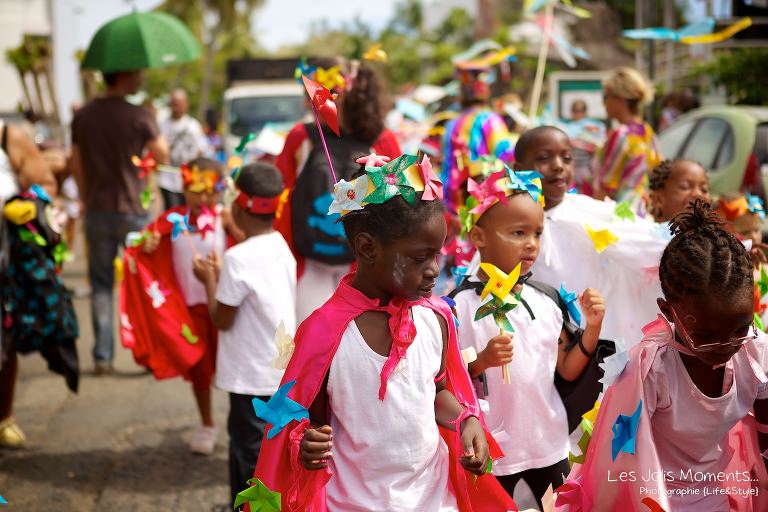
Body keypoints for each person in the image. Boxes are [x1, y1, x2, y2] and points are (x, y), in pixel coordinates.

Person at [253, 154, 515, 511]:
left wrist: (466, 419)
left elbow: (436, 389)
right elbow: (303, 418)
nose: (434, 270)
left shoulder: (435, 319)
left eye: (437, 255)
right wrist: (306, 443)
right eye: (419, 257)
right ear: (367, 248)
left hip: (434, 498)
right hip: (353, 502)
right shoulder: (324, 332)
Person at [556, 200, 768, 511]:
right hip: (652, 500)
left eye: (741, 328)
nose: (725, 346)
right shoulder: (651, 369)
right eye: (706, 336)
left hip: (717, 497)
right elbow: (619, 463)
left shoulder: (755, 353)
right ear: (668, 311)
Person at [450, 171, 606, 507]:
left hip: (548, 444)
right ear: (479, 236)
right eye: (518, 233)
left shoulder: (546, 299)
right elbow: (449, 378)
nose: (531, 243)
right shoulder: (458, 306)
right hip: (488, 447)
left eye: (537, 232)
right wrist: (484, 361)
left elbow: (566, 369)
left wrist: (592, 328)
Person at [120, 157, 241, 455]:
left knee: (235, 366)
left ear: (220, 189)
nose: (203, 197)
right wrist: (147, 245)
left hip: (226, 306)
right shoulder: (172, 219)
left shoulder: (222, 217)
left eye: (209, 190)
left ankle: (243, 422)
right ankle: (208, 422)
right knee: (200, 369)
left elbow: (247, 243)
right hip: (189, 308)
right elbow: (143, 243)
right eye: (195, 190)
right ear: (184, 188)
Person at [192, 162, 295, 506]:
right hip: (280, 373)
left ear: (237, 206)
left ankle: (249, 507)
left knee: (247, 454)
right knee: (272, 454)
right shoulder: (281, 246)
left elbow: (221, 318)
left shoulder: (236, 259)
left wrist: (209, 281)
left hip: (248, 377)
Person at [275, 58, 401, 322]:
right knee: (311, 338)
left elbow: (399, 198)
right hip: (309, 262)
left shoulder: (382, 139)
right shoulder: (301, 137)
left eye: (330, 94)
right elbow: (281, 199)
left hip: (366, 265)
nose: (318, 102)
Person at [515, 126, 668, 344]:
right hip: (538, 340)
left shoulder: (591, 212)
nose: (558, 166)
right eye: (544, 158)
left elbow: (649, 243)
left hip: (596, 338)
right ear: (518, 168)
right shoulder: (509, 219)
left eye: (566, 158)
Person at [71, 69, 170, 375]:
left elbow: (75, 162)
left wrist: (86, 198)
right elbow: (162, 153)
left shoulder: (84, 115)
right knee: (141, 284)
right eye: (137, 73)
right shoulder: (139, 114)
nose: (141, 77)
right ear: (125, 75)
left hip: (98, 209)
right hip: (133, 210)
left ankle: (103, 356)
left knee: (101, 285)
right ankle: (147, 355)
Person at [0, 120, 58, 448]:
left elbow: (47, 183)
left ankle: (3, 417)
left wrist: (27, 201)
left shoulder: (10, 138)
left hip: (6, 266)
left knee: (3, 343)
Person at [593, 67, 661, 212]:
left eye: (605, 97)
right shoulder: (648, 133)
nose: (603, 103)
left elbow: (607, 186)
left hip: (620, 213)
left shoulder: (621, 134)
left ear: (620, 98)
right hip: (642, 211)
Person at [158, 89, 210, 209]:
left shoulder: (193, 126)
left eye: (179, 104)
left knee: (188, 212)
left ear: (186, 104)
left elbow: (202, 149)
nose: (176, 108)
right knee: (172, 211)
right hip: (167, 179)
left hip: (188, 179)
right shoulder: (162, 125)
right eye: (174, 104)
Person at [648, 159, 711, 223]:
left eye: (704, 189)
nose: (698, 194)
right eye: (685, 187)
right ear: (658, 199)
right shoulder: (642, 229)